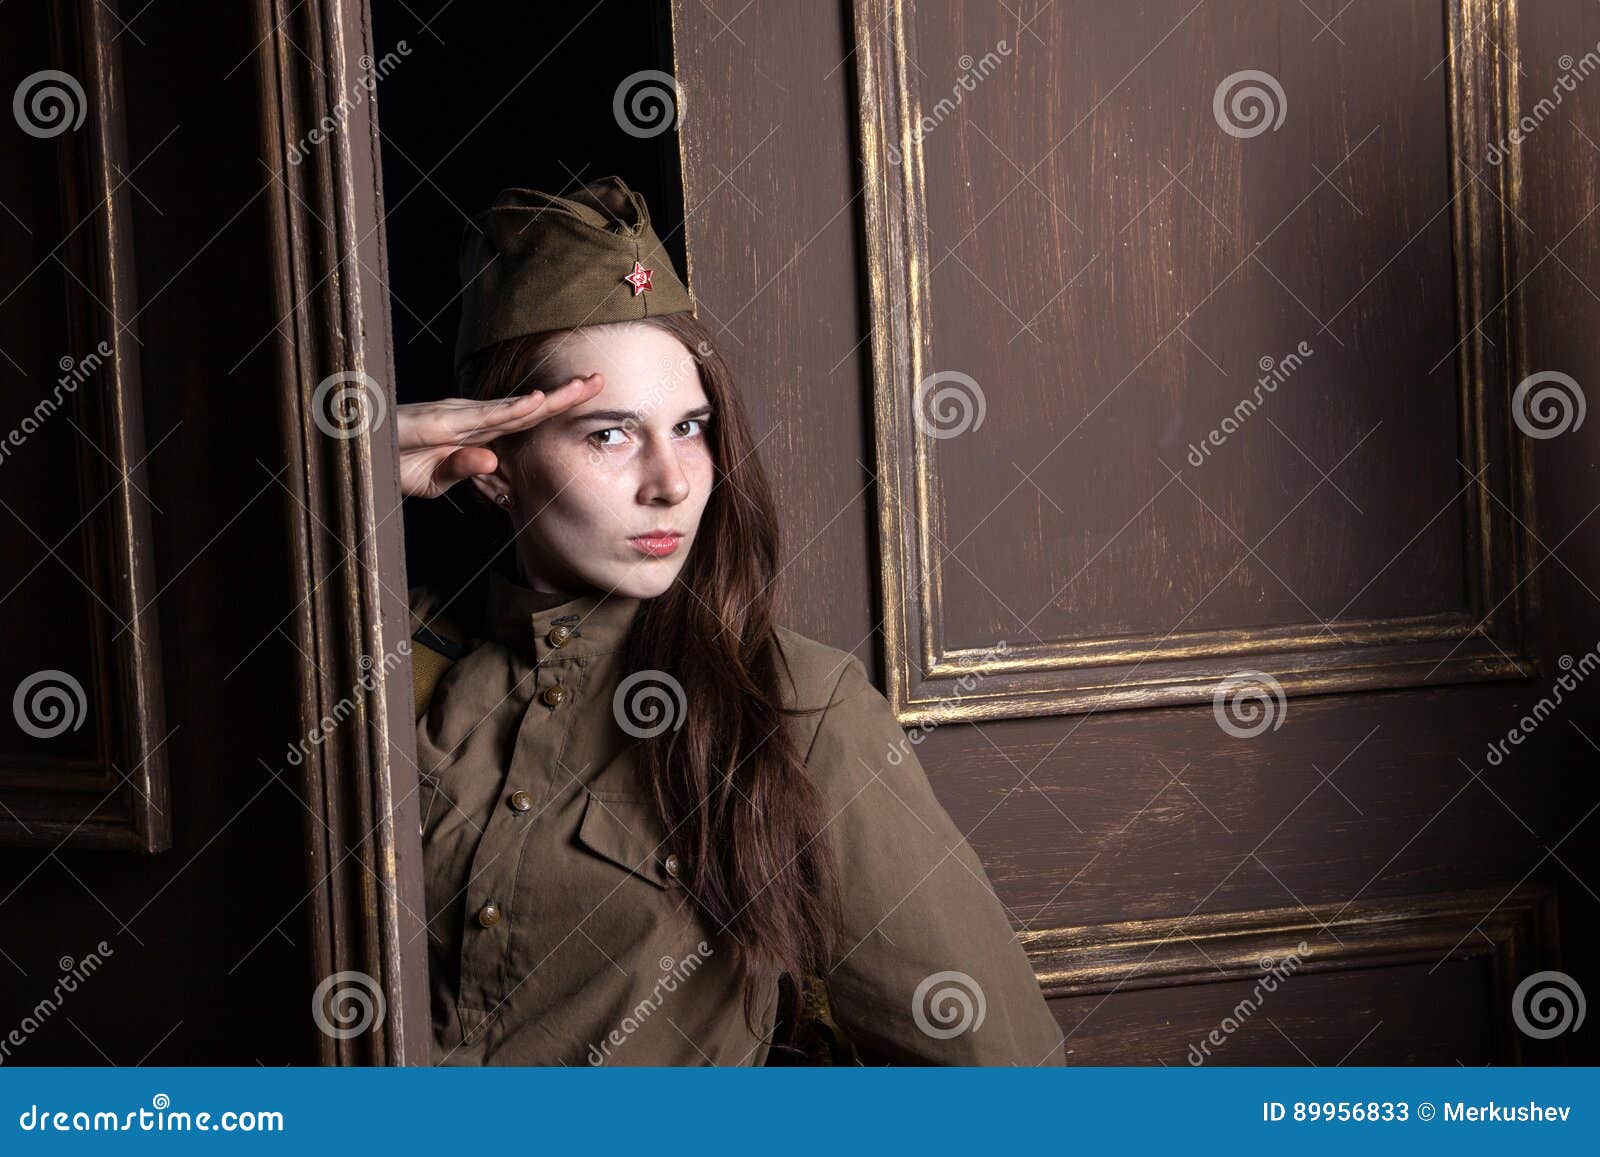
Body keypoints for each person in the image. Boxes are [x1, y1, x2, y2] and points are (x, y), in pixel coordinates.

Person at [398, 176, 1066, 1067]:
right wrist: (356, 466)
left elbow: (1007, 1076)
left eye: (691, 427)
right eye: (609, 434)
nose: (672, 482)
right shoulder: (389, 668)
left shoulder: (799, 707)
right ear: (492, 466)